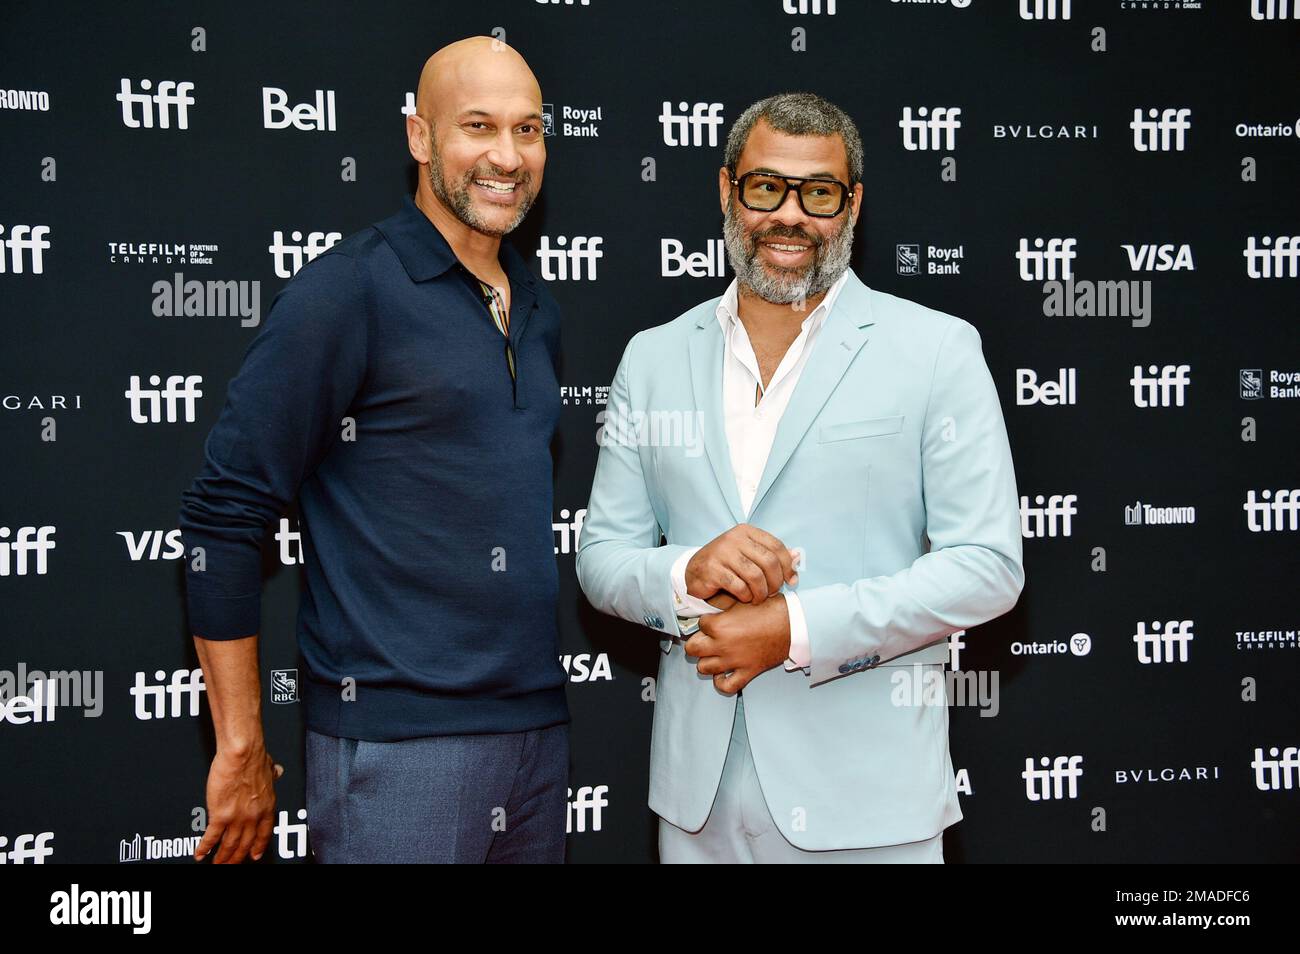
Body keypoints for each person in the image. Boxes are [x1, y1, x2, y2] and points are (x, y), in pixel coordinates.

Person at [576, 92, 1025, 863]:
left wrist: (799, 628)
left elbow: (987, 568)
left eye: (818, 192)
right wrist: (687, 570)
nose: (790, 216)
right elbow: (602, 560)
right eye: (765, 188)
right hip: (697, 811)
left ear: (851, 205)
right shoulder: (651, 357)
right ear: (727, 191)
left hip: (869, 803)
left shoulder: (937, 349)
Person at [178, 36, 569, 864]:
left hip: (537, 734)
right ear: (419, 138)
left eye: (528, 130)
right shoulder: (348, 289)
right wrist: (241, 746)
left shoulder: (534, 301)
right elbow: (225, 515)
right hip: (400, 749)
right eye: (477, 127)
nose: (507, 155)